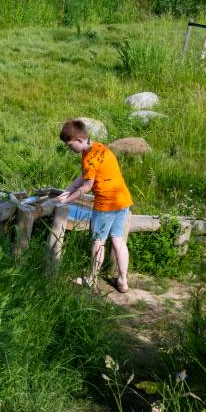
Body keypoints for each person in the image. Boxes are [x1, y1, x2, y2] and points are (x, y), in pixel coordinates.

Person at [55, 119, 134, 293]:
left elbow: (86, 186)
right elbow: (84, 176)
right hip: (122, 200)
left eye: (70, 145)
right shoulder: (98, 147)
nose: (69, 149)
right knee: (118, 239)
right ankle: (122, 280)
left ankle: (91, 279)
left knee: (98, 242)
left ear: (80, 140)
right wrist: (67, 191)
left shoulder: (89, 158)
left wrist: (66, 200)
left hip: (105, 204)